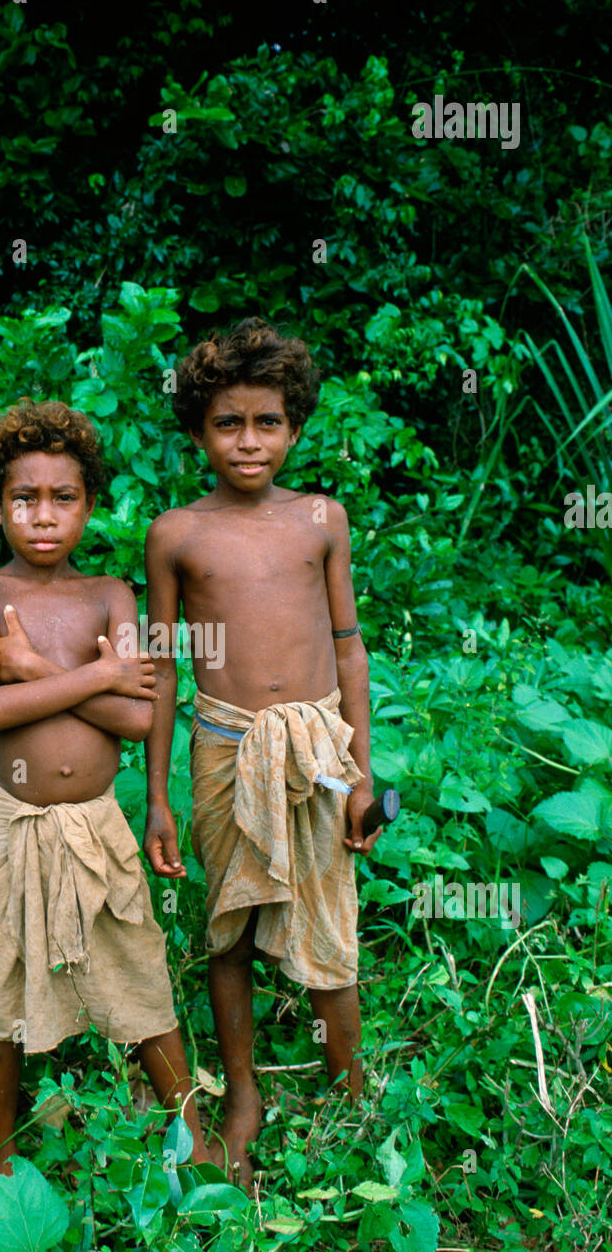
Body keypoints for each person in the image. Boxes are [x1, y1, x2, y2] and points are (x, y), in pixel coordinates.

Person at [143, 318, 382, 1190]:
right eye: (228, 424)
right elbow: (162, 668)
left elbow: (348, 645)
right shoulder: (177, 533)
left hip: (317, 750)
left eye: (268, 422)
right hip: (223, 749)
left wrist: (361, 775)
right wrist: (159, 797)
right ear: (199, 430)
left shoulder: (321, 519)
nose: (249, 442)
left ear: (295, 425)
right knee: (231, 929)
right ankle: (241, 1094)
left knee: (327, 925)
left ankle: (346, 1084)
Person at [0, 396, 208, 1200]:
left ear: (90, 506)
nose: (42, 516)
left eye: (63, 498)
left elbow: (139, 718)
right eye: (24, 498)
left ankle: (192, 1134)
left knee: (137, 965)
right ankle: (3, 1158)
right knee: (2, 977)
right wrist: (96, 676)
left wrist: (36, 670)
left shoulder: (108, 595)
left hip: (97, 824)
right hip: (14, 820)